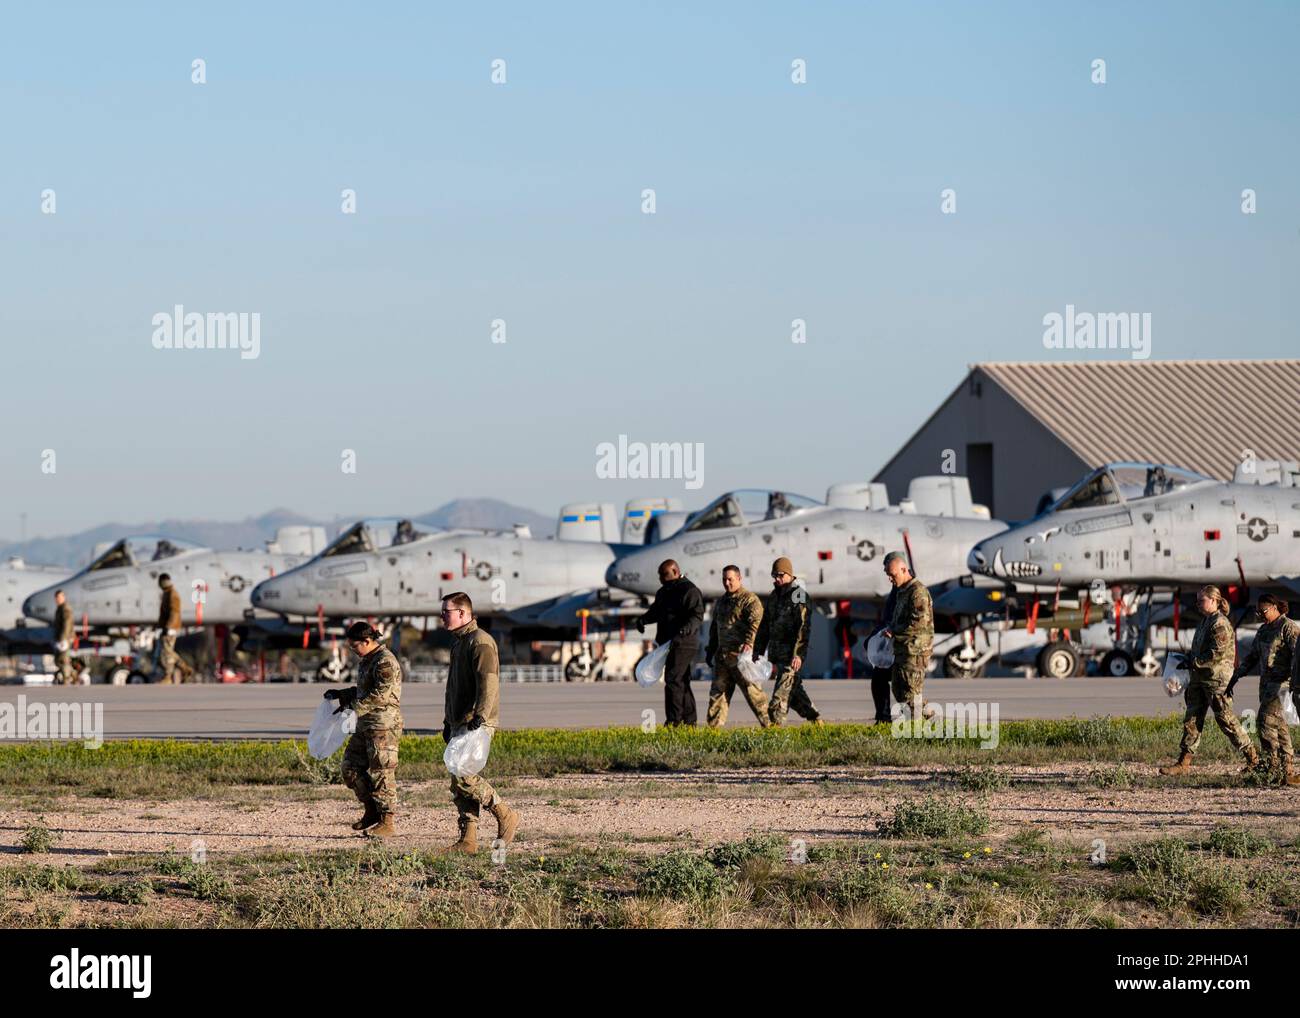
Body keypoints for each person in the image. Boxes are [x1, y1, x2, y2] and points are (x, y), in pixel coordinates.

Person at [441, 592, 519, 854]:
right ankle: (468, 839)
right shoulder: (459, 643)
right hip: (460, 722)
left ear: (463, 613)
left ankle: (504, 812)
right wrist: (447, 721)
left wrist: (481, 716)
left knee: (464, 777)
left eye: (446, 612)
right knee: (458, 780)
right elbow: (453, 688)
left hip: (476, 721)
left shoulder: (480, 641)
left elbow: (489, 681)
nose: (442, 617)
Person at [1160, 585, 1260, 775]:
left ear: (1214, 600)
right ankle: (1183, 762)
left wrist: (1193, 662)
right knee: (1192, 719)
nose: (1197, 604)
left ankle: (1253, 758)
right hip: (1200, 679)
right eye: (1197, 600)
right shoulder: (1206, 622)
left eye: (1201, 600)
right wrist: (1187, 660)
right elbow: (1199, 650)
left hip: (1216, 681)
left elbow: (1215, 653)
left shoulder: (1219, 624)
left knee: (1226, 721)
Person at [325, 621, 404, 837]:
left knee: (382, 772)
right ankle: (371, 810)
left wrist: (354, 707)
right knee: (350, 768)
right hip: (364, 725)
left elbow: (381, 694)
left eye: (355, 646)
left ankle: (387, 821)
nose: (353, 650)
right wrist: (344, 694)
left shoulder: (385, 661)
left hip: (383, 726)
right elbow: (364, 690)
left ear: (367, 641)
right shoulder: (368, 660)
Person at [1230, 593, 1300, 783]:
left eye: (1264, 611)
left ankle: (1271, 765)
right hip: (1266, 685)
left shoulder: (1288, 627)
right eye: (1258, 612)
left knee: (1264, 721)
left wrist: (1296, 681)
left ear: (1275, 607)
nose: (1260, 615)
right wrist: (1236, 676)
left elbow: (1298, 656)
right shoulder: (1263, 630)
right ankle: (1287, 770)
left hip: (1282, 684)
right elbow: (1252, 656)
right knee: (1280, 727)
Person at [635, 559, 705, 726]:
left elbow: (697, 615)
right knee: (681, 680)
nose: (661, 578)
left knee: (673, 679)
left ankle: (674, 721)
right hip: (669, 643)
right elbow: (656, 611)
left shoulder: (689, 590)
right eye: (660, 575)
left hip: (685, 642)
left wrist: (685, 630)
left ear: (675, 571)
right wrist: (643, 620)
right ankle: (689, 721)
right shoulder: (663, 592)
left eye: (664, 574)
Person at [754, 557, 822, 726]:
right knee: (795, 695)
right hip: (777, 656)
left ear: (789, 574)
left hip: (791, 657)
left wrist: (798, 654)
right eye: (774, 575)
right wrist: (758, 650)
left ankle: (775, 737)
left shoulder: (798, 594)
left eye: (780, 575)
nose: (776, 579)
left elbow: (803, 626)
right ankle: (816, 720)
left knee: (778, 701)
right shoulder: (774, 596)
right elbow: (765, 626)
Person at [705, 566, 771, 728]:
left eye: (730, 579)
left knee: (754, 695)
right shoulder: (721, 602)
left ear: (739, 578)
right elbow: (715, 628)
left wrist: (749, 643)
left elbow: (757, 623)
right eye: (724, 580)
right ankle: (713, 733)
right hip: (723, 659)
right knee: (717, 696)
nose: (727, 583)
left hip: (741, 659)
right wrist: (710, 649)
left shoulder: (749, 600)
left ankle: (771, 727)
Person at [882, 552, 936, 720]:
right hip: (903, 648)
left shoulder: (917, 592)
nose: (890, 579)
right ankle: (927, 717)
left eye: (893, 575)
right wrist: (892, 627)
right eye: (888, 576)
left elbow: (919, 623)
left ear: (904, 569)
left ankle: (920, 729)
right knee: (899, 690)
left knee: (911, 692)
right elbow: (900, 619)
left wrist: (895, 630)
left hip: (915, 650)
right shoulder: (902, 592)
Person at [864, 588, 897, 723]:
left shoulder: (915, 592)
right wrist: (874, 638)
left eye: (890, 571)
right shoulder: (896, 591)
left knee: (905, 691)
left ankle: (917, 723)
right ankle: (883, 720)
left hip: (909, 651)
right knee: (878, 677)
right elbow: (887, 621)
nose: (889, 577)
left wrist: (897, 632)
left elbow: (918, 626)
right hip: (893, 649)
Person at [156, 574, 194, 683]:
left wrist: (169, 627)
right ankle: (184, 669)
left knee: (167, 653)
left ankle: (169, 677)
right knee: (168, 652)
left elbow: (175, 612)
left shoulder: (173, 594)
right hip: (167, 627)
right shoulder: (166, 594)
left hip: (171, 628)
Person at [52, 590, 77, 686]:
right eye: (56, 597)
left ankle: (67, 679)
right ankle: (74, 675)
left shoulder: (65, 608)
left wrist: (63, 638)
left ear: (63, 597)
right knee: (58, 660)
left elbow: (67, 624)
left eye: (59, 597)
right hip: (60, 638)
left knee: (63, 659)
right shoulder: (59, 608)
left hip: (65, 638)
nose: (57, 599)